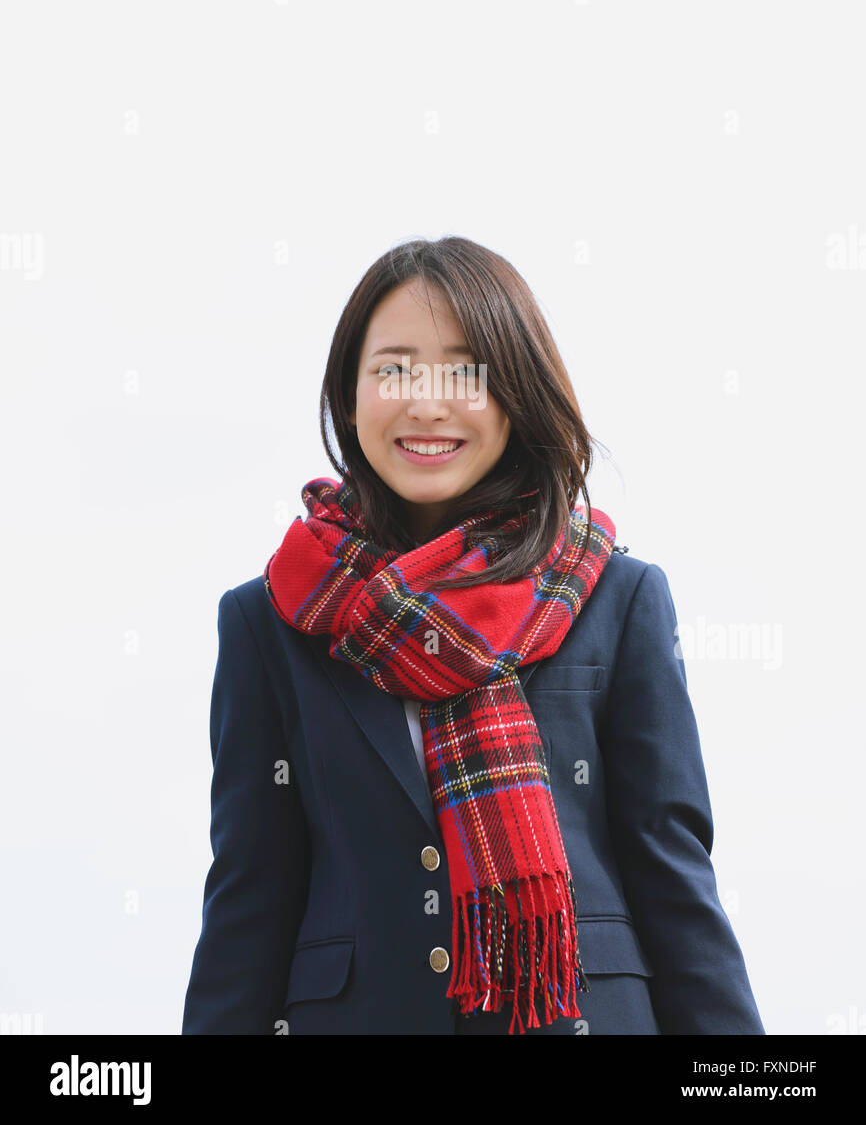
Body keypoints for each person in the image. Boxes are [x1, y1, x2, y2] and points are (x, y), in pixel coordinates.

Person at [181, 234, 765, 1036]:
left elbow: (672, 875)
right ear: (348, 396)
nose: (426, 402)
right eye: (392, 368)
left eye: (464, 370)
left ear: (518, 392)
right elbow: (251, 896)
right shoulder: (270, 619)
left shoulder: (618, 598)